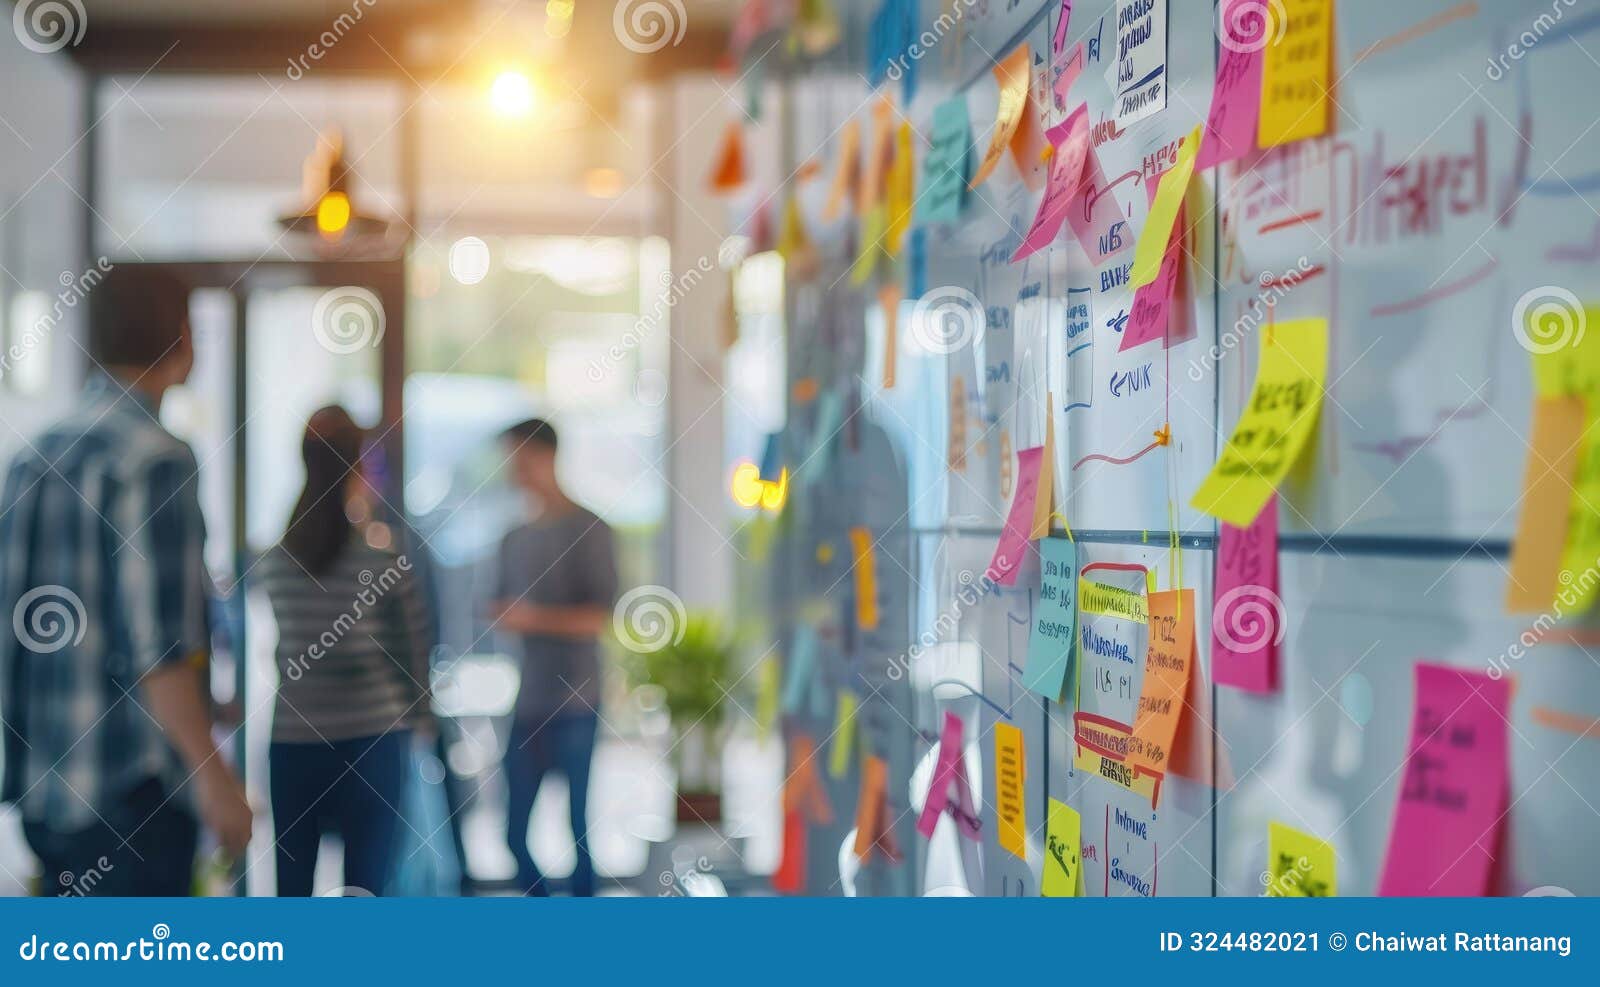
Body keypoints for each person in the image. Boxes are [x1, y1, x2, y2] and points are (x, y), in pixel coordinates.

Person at [0, 267, 252, 896]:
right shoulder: (157, 459)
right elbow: (158, 649)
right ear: (183, 338)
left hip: (45, 794)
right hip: (131, 799)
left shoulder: (32, 456)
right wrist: (216, 779)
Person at [257, 406, 434, 896]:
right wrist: (424, 720)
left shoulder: (275, 562)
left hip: (293, 739)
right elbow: (413, 657)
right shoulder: (383, 558)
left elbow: (288, 653)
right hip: (373, 739)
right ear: (358, 466)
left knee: (292, 892)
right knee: (366, 892)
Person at [492, 418, 617, 897]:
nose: (513, 470)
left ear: (546, 457)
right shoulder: (513, 536)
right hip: (529, 699)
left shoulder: (590, 528)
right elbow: (499, 607)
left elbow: (599, 618)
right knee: (513, 834)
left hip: (577, 700)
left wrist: (533, 618)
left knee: (577, 830)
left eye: (520, 459)